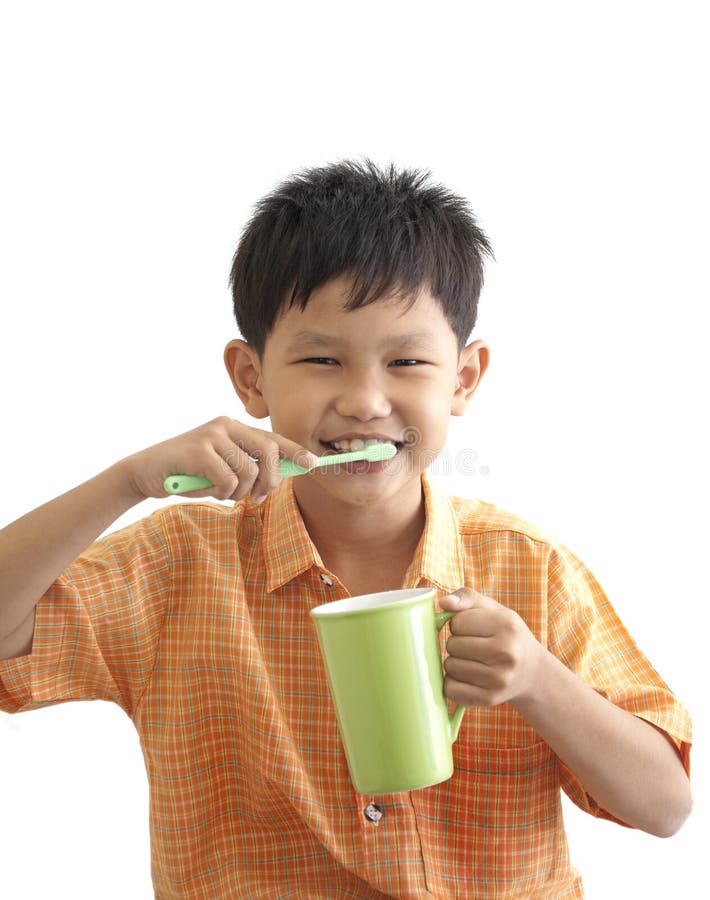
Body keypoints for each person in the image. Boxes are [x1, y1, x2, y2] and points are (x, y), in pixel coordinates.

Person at [0, 159, 692, 898]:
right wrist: (127, 480)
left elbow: (664, 806)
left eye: (407, 362)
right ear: (251, 379)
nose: (365, 402)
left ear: (462, 379)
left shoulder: (532, 570)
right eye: (324, 359)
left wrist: (538, 683)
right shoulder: (176, 565)